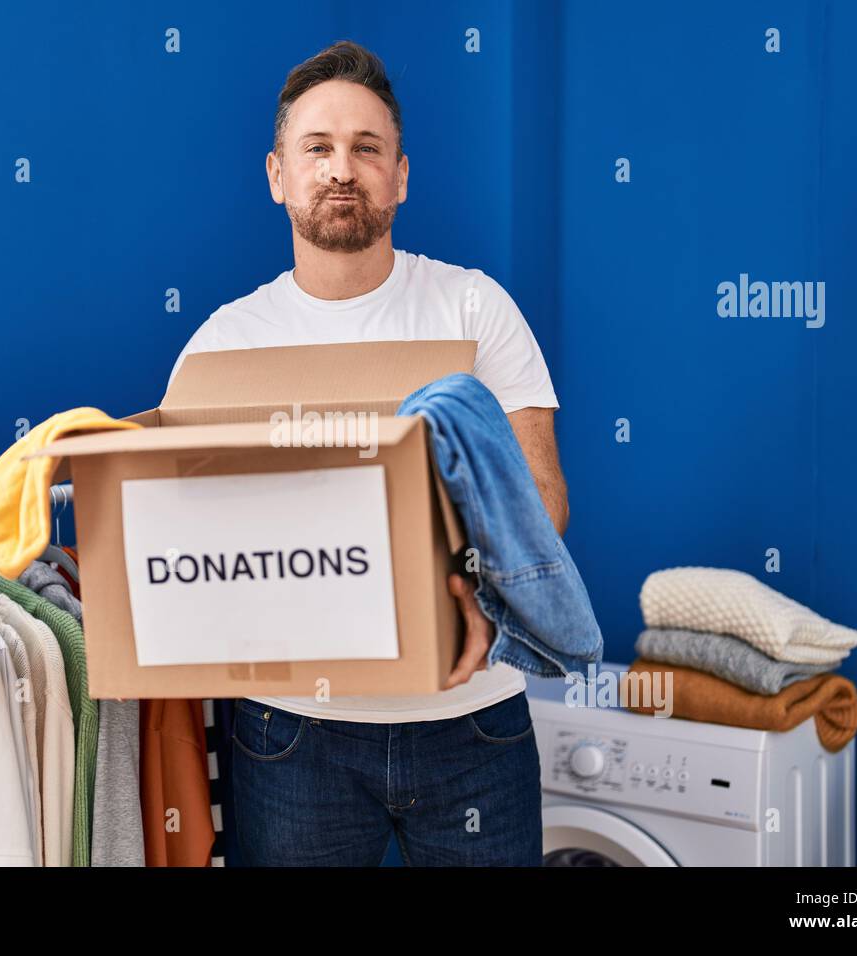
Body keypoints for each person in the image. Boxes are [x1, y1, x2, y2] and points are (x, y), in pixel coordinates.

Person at [168, 40, 567, 866]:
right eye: (317, 148)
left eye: (366, 149)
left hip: (472, 721)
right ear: (278, 175)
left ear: (401, 176)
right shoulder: (223, 346)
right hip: (293, 736)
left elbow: (543, 500)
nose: (341, 169)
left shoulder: (474, 309)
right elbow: (180, 537)